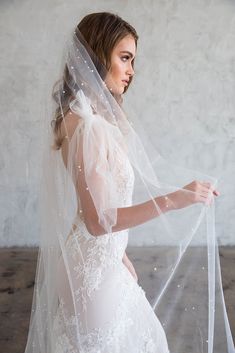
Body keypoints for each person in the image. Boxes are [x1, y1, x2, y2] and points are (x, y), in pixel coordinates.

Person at [24, 12, 234, 353]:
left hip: (96, 262)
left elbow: (88, 210)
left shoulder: (78, 118)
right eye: (124, 58)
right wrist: (174, 199)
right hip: (93, 275)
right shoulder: (91, 127)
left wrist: (117, 254)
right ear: (96, 54)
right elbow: (97, 220)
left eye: (133, 60)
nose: (131, 71)